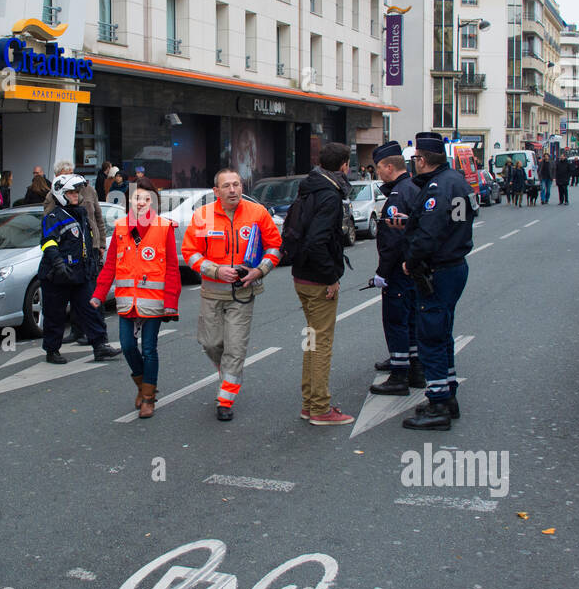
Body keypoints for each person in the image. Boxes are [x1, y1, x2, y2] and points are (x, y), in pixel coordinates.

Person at [180, 167, 282, 421]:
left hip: (243, 294)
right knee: (211, 344)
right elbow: (190, 252)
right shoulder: (203, 216)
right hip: (212, 294)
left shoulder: (257, 213)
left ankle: (225, 399)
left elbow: (275, 247)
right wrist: (216, 270)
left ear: (242, 187)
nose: (233, 189)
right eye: (226, 186)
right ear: (216, 191)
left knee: (235, 349)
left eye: (236, 184)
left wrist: (260, 270)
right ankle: (225, 371)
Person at [400, 133, 474, 431]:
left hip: (438, 269)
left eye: (416, 158)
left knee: (430, 335)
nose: (414, 163)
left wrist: (410, 260)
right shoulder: (457, 181)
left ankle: (438, 404)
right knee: (443, 333)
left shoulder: (436, 188)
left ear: (424, 160)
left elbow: (429, 235)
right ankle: (448, 393)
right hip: (456, 264)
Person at [92, 177, 179, 418]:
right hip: (126, 301)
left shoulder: (164, 227)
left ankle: (148, 398)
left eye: (146, 198)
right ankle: (143, 386)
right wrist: (98, 295)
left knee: (149, 349)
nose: (141, 202)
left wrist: (171, 303)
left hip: (154, 301)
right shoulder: (121, 228)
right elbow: (110, 266)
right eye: (137, 198)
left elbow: (172, 268)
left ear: (154, 202)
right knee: (129, 347)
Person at [290, 143, 355, 426]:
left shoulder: (309, 187)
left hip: (301, 276)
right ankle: (319, 407)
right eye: (348, 164)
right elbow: (317, 241)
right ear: (342, 165)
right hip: (318, 280)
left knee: (312, 341)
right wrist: (331, 277)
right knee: (321, 344)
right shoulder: (329, 195)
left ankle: (309, 404)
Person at [40, 173, 121, 364]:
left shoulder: (81, 214)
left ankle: (100, 346)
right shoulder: (53, 217)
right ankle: (52, 350)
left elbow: (85, 242)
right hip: (57, 275)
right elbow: (47, 242)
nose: (76, 195)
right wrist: (58, 263)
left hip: (80, 274)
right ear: (61, 194)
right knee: (55, 315)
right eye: (71, 192)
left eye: (77, 192)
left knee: (90, 309)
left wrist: (91, 263)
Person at [370, 141, 424, 393]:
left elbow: (392, 240)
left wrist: (382, 272)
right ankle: (415, 368)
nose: (377, 173)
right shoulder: (414, 188)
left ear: (389, 167)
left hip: (398, 271)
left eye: (379, 168)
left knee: (396, 321)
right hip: (411, 267)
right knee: (411, 320)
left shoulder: (397, 196)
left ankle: (399, 375)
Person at [45, 160, 108, 343]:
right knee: (69, 300)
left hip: (90, 249)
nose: (71, 176)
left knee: (92, 295)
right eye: (66, 174)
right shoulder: (54, 199)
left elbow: (97, 217)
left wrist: (101, 243)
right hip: (67, 254)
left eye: (72, 172)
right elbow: (49, 227)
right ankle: (76, 331)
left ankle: (98, 338)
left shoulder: (88, 191)